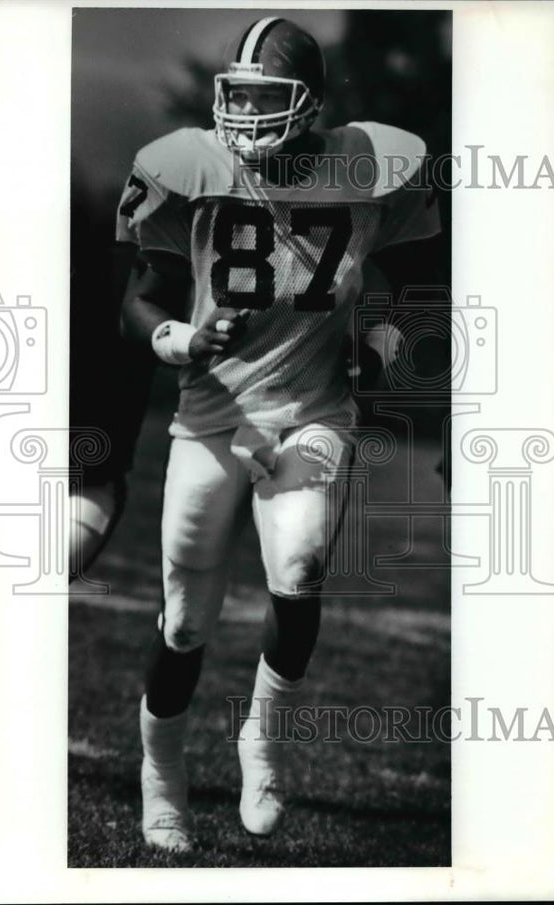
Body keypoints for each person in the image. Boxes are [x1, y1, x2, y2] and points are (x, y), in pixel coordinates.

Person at [117, 16, 440, 853]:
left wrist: (384, 336)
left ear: (311, 104)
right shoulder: (189, 169)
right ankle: (164, 780)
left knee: (297, 566)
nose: (247, 116)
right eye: (239, 96)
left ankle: (261, 743)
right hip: (211, 415)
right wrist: (179, 339)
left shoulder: (370, 167)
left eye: (267, 98)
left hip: (313, 410)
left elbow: (404, 282)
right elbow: (138, 299)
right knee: (186, 618)